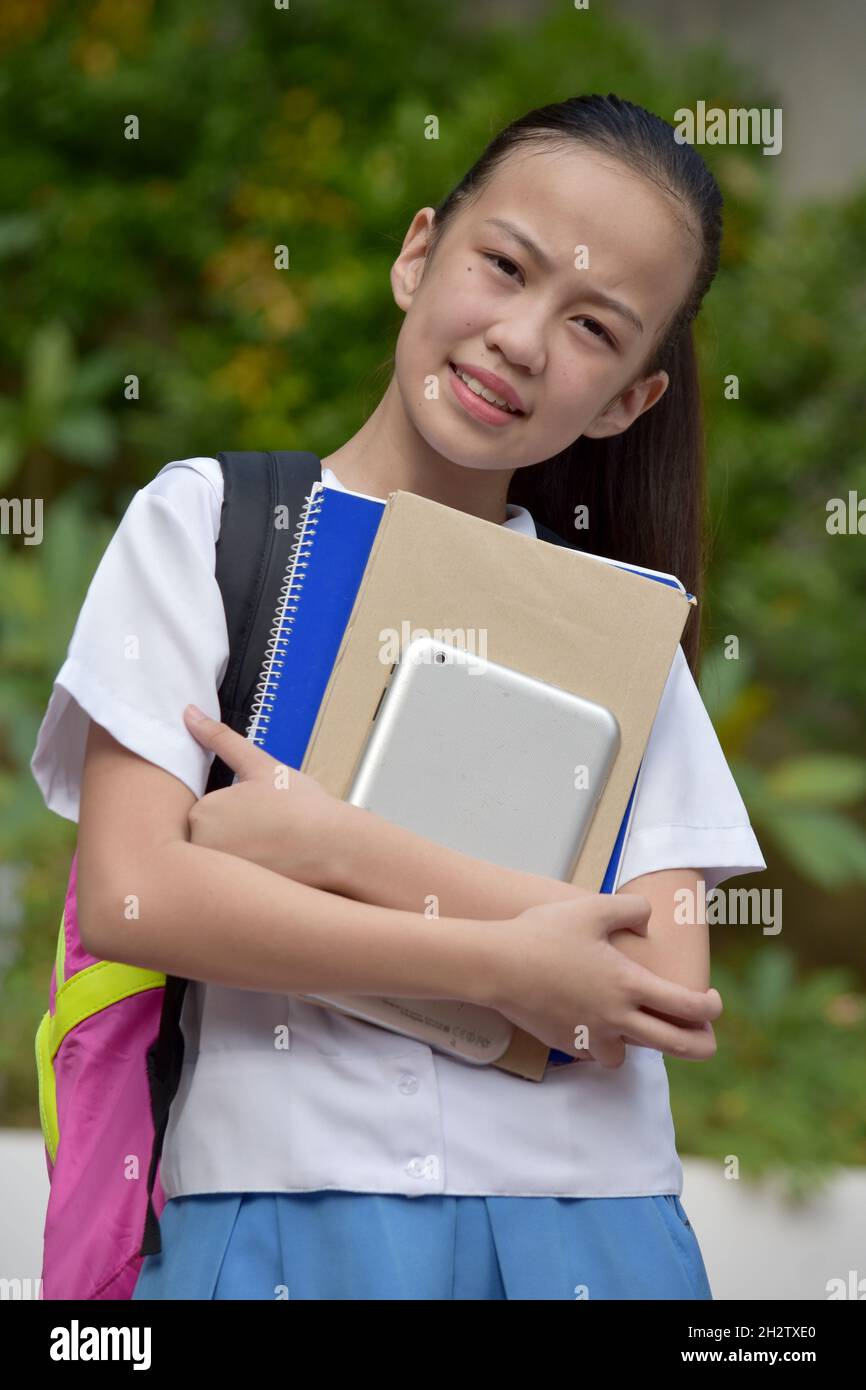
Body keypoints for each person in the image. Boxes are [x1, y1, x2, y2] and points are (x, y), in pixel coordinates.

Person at [31, 93, 766, 1300]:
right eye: (502, 266)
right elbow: (132, 890)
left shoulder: (617, 620)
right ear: (418, 252)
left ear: (630, 397)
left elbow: (663, 985)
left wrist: (331, 843)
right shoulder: (210, 525)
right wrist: (510, 960)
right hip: (276, 1215)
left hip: (586, 1234)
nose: (522, 339)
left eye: (592, 327)